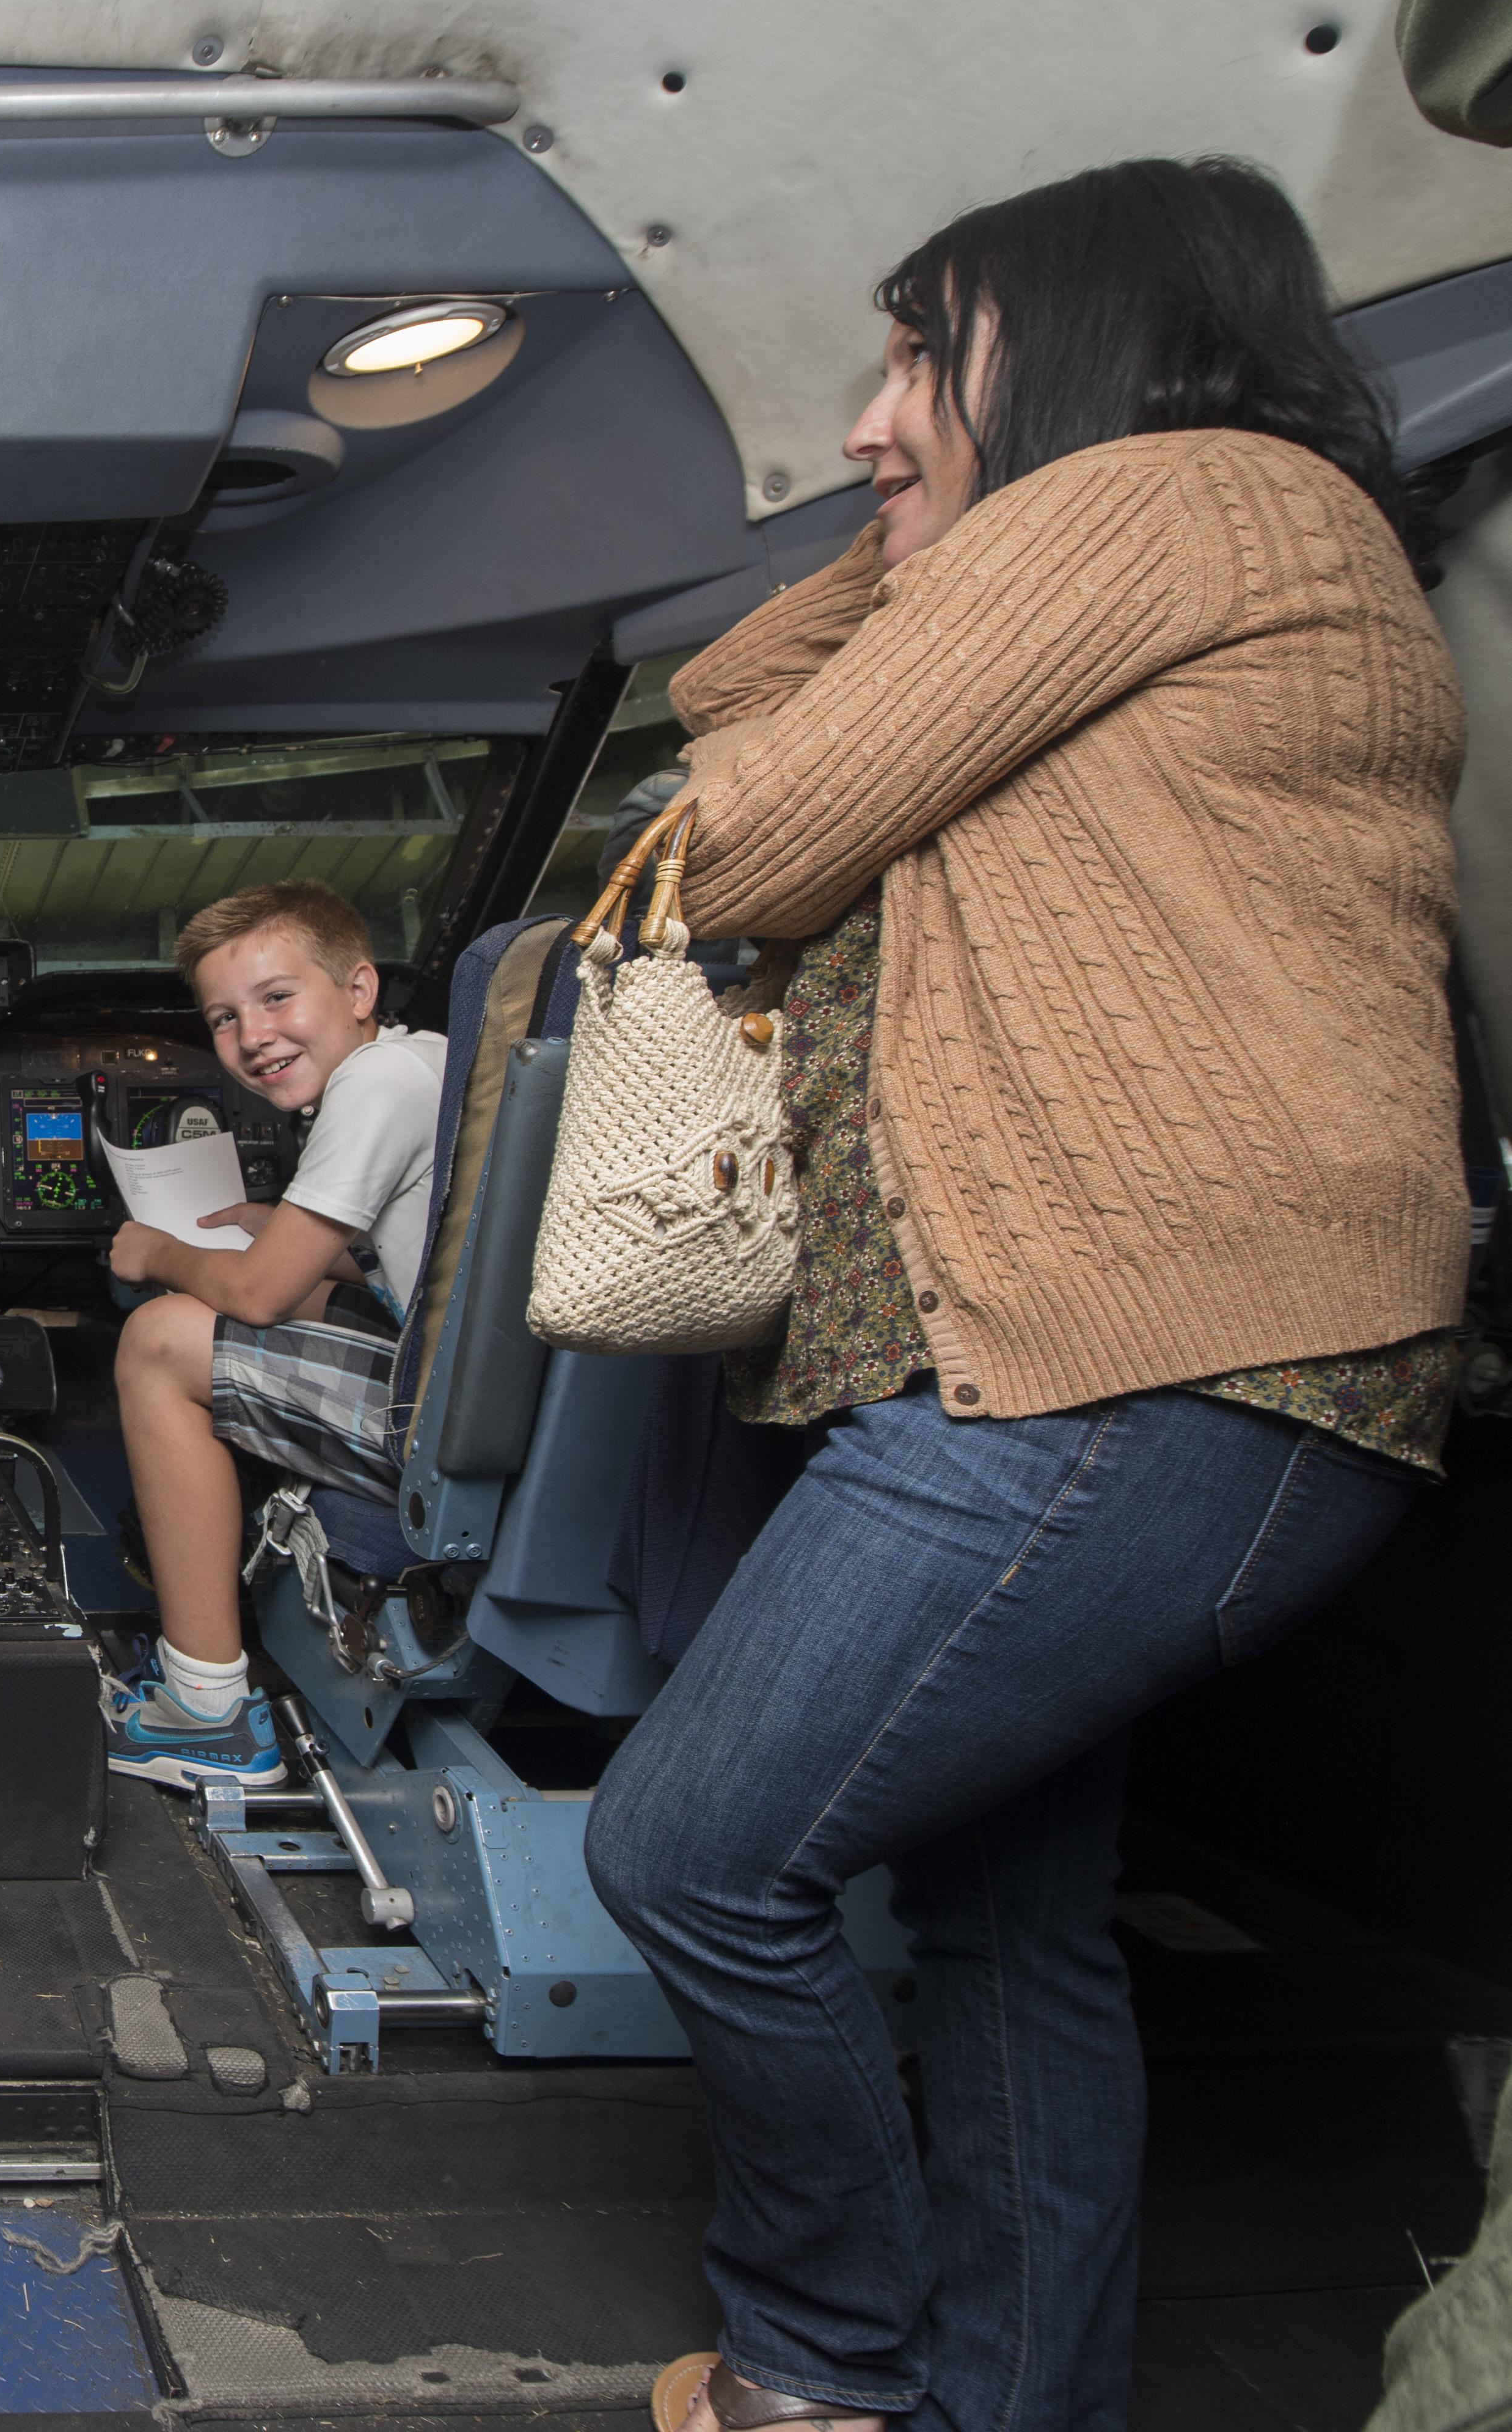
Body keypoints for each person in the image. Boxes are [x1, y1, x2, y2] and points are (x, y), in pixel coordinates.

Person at [579, 159, 1469, 2432]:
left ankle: (818, 2370)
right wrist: (913, 514)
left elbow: (748, 835)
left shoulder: (1170, 494)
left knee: (688, 1845)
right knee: (999, 1934)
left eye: (914, 353)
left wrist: (947, 524)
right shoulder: (1155, 541)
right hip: (1170, 1368)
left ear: (1078, 338)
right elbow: (724, 691)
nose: (872, 421)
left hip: (1135, 1367)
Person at [98, 880, 446, 1786]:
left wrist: (161, 1253)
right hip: (481, 1395)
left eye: (277, 997)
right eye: (223, 1017)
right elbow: (421, 1262)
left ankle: (205, 1711)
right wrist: (301, 1240)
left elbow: (252, 1296)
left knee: (161, 1340)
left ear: (359, 990)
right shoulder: (429, 1062)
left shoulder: (374, 1088)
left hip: (448, 1436)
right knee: (302, 1301)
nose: (252, 1037)